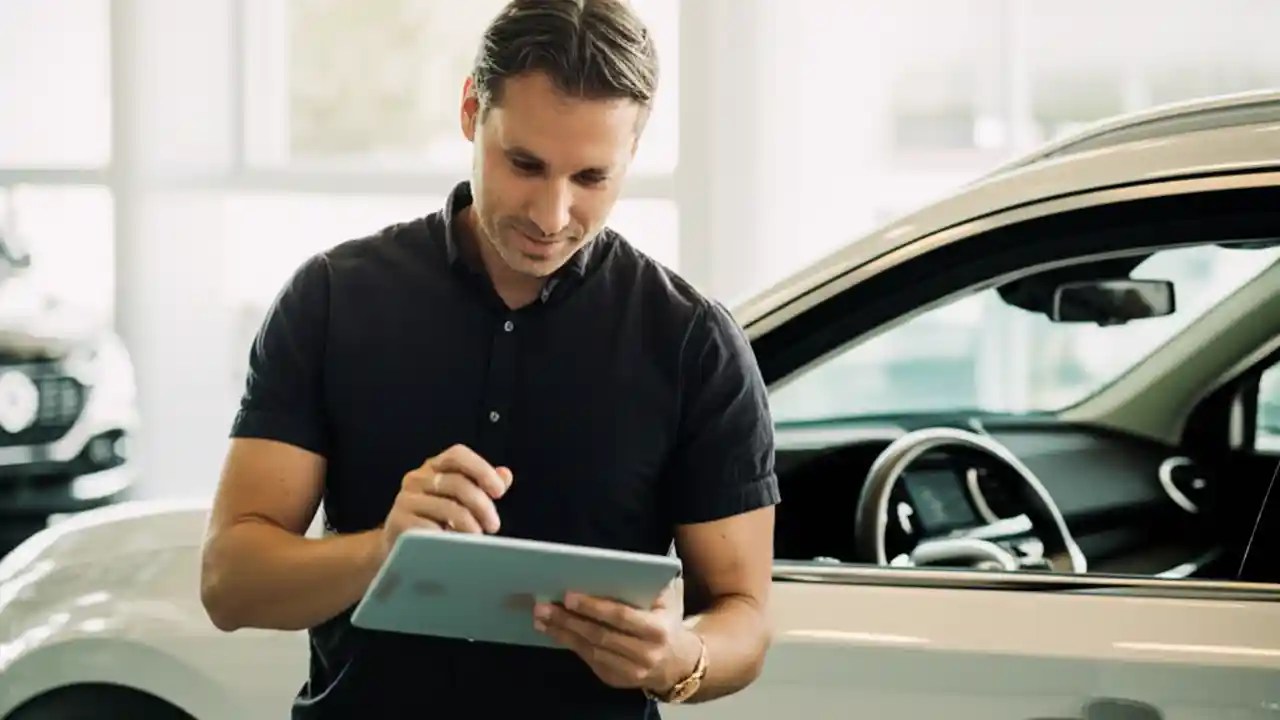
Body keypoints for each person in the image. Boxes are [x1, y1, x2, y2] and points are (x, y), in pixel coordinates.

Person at [198, 0, 779, 717]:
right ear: (473, 110)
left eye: (592, 178)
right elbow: (230, 583)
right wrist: (382, 549)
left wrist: (678, 657)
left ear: (635, 149)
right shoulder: (332, 301)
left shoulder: (693, 343)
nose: (550, 214)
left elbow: (744, 614)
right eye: (525, 164)